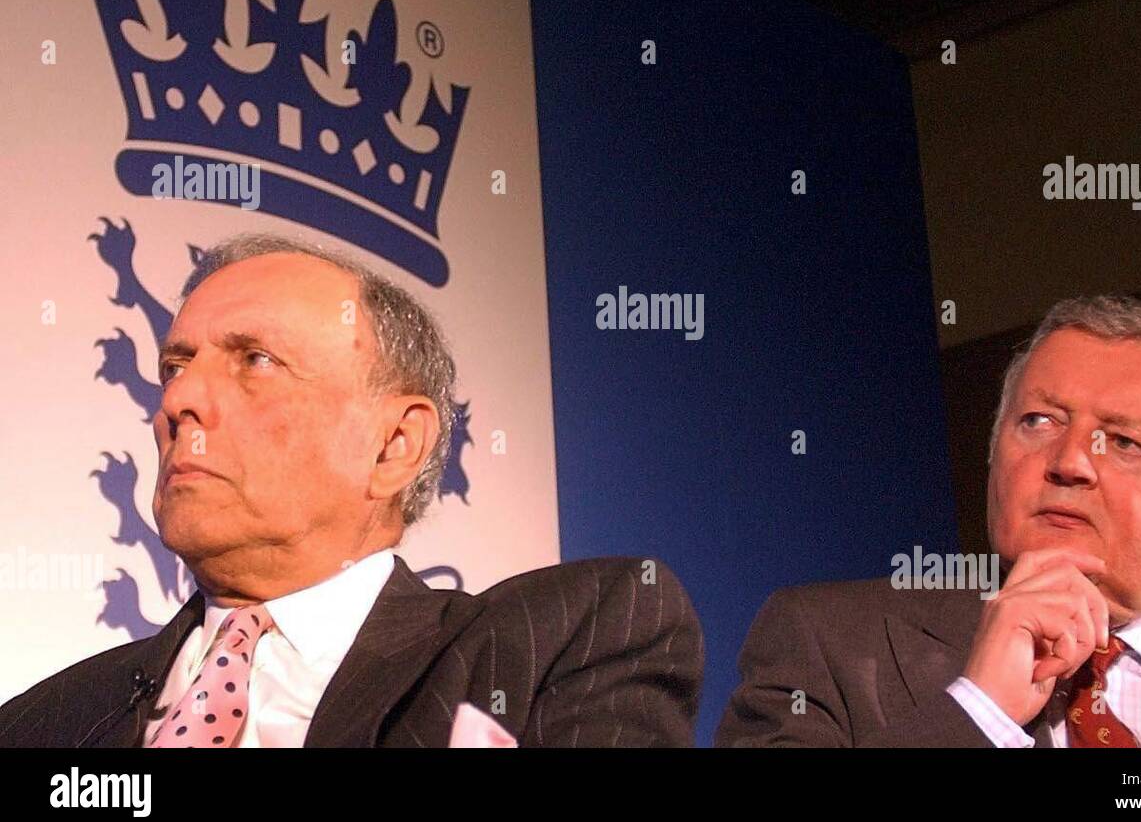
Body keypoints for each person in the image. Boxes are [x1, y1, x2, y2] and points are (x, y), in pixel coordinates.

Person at [0, 233, 702, 747]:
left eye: (255, 360)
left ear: (395, 444)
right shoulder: (39, 722)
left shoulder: (557, 644)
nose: (181, 397)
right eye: (175, 365)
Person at [716, 295, 1141, 747]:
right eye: (1040, 422)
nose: (1070, 462)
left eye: (1122, 442)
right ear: (994, 451)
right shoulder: (826, 642)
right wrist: (978, 710)